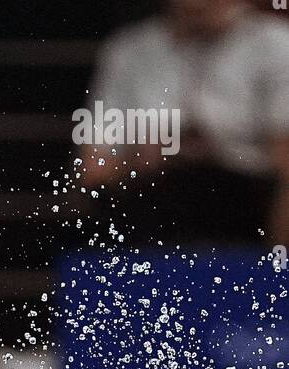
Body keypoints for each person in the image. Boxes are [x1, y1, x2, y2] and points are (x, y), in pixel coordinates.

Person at [77, 0, 289, 248]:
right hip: (151, 210)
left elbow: (284, 165)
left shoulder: (276, 45)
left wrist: (277, 268)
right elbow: (91, 171)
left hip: (246, 211)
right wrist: (142, 161)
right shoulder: (129, 51)